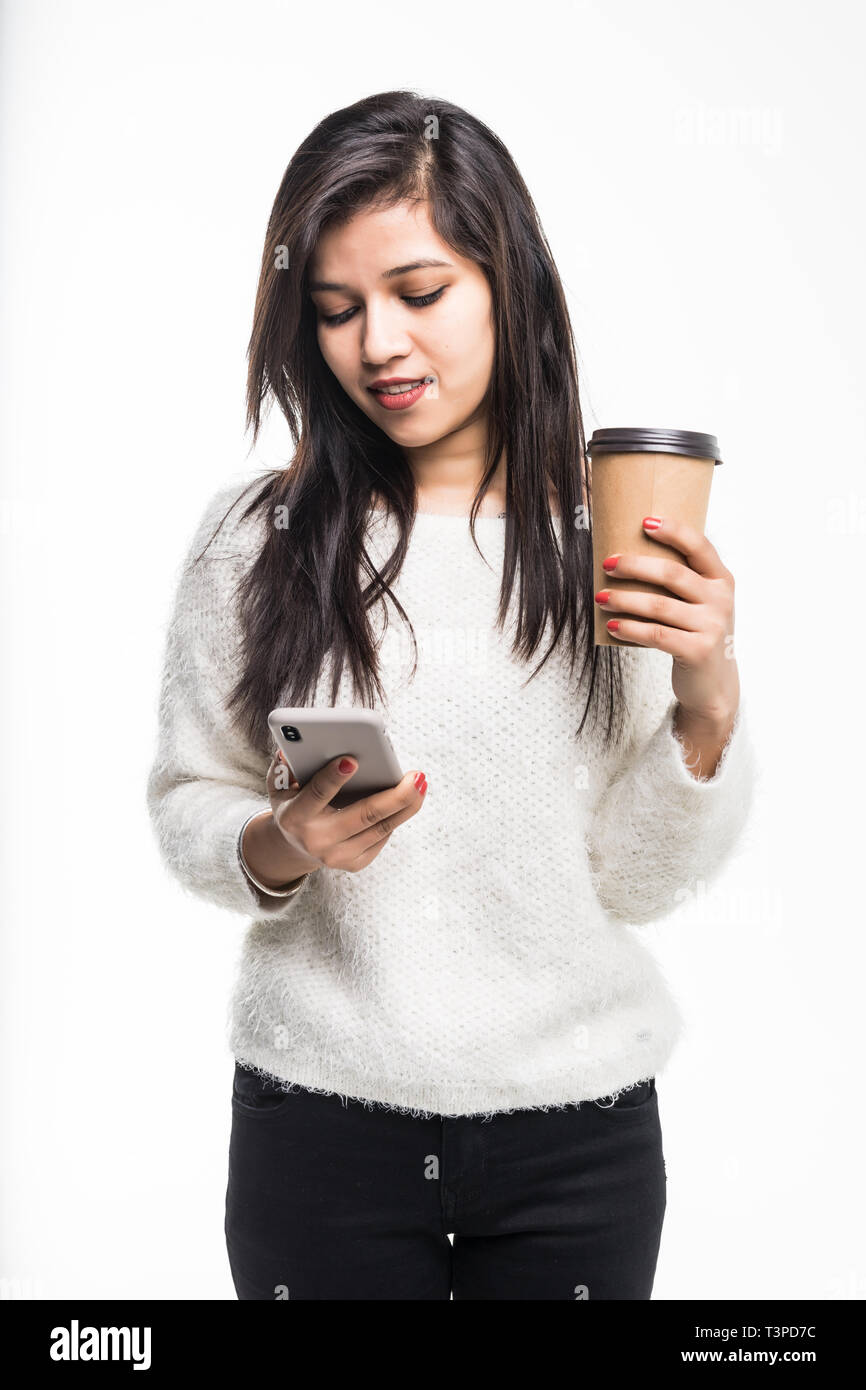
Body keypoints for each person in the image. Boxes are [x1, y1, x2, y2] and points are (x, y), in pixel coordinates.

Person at [146, 90, 756, 1301]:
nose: (376, 343)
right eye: (334, 309)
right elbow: (188, 799)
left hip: (573, 1135)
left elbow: (633, 879)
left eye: (418, 293)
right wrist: (278, 843)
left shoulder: (604, 533)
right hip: (319, 1129)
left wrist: (706, 699)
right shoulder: (251, 541)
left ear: (507, 285)